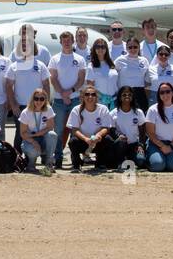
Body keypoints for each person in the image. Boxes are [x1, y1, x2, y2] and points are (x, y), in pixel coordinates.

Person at [49, 31, 87, 168]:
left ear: (73, 41)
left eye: (69, 40)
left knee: (74, 130)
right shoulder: (55, 59)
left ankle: (75, 158)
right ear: (60, 42)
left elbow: (81, 79)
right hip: (59, 100)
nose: (66, 42)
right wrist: (62, 94)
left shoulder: (80, 59)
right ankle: (58, 158)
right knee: (58, 131)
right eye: (64, 40)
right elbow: (53, 78)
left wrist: (70, 92)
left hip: (75, 99)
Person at [66, 86, 116, 171]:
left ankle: (100, 163)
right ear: (83, 97)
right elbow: (74, 130)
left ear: (96, 97)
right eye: (87, 94)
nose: (90, 97)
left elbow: (106, 128)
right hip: (83, 141)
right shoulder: (76, 110)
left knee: (108, 139)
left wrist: (98, 135)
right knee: (73, 141)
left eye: (93, 94)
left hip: (97, 140)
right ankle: (77, 163)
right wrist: (86, 139)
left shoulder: (103, 109)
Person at [144, 82, 173, 172]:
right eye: (162, 92)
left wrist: (170, 146)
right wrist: (162, 146)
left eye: (167, 91)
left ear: (172, 93)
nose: (165, 94)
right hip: (156, 144)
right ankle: (150, 159)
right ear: (158, 95)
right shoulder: (152, 109)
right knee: (157, 166)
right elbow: (150, 133)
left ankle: (167, 159)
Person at [6, 49, 51, 125]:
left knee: (37, 131)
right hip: (20, 106)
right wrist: (13, 105)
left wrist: (46, 104)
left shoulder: (41, 65)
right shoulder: (14, 66)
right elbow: (8, 86)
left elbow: (46, 85)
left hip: (37, 105)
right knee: (20, 134)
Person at [18, 89, 57, 172]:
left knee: (52, 135)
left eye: (42, 99)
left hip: (42, 138)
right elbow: (23, 133)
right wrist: (33, 141)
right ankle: (31, 164)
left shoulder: (49, 109)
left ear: (45, 100)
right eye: (36, 99)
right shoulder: (26, 112)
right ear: (33, 99)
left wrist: (37, 134)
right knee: (33, 151)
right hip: (29, 140)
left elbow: (50, 127)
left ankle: (49, 163)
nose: (39, 101)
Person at [110, 85, 147, 170]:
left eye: (129, 95)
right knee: (121, 142)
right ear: (119, 97)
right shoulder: (113, 113)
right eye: (124, 95)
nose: (127, 96)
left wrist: (141, 145)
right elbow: (111, 130)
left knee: (141, 161)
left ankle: (130, 158)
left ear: (132, 97)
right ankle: (120, 160)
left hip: (134, 145)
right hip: (120, 145)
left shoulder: (138, 112)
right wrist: (118, 136)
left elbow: (142, 131)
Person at [114, 37, 151, 109]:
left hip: (139, 93)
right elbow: (113, 76)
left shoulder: (144, 60)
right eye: (130, 47)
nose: (133, 49)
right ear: (126, 48)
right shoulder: (120, 60)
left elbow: (147, 79)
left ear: (139, 47)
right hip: (124, 92)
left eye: (135, 47)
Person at [84, 39, 118, 108]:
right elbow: (90, 86)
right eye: (98, 47)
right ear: (94, 49)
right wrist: (102, 97)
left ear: (106, 49)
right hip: (100, 102)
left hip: (114, 102)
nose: (100, 49)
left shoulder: (112, 64)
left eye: (103, 47)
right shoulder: (91, 66)